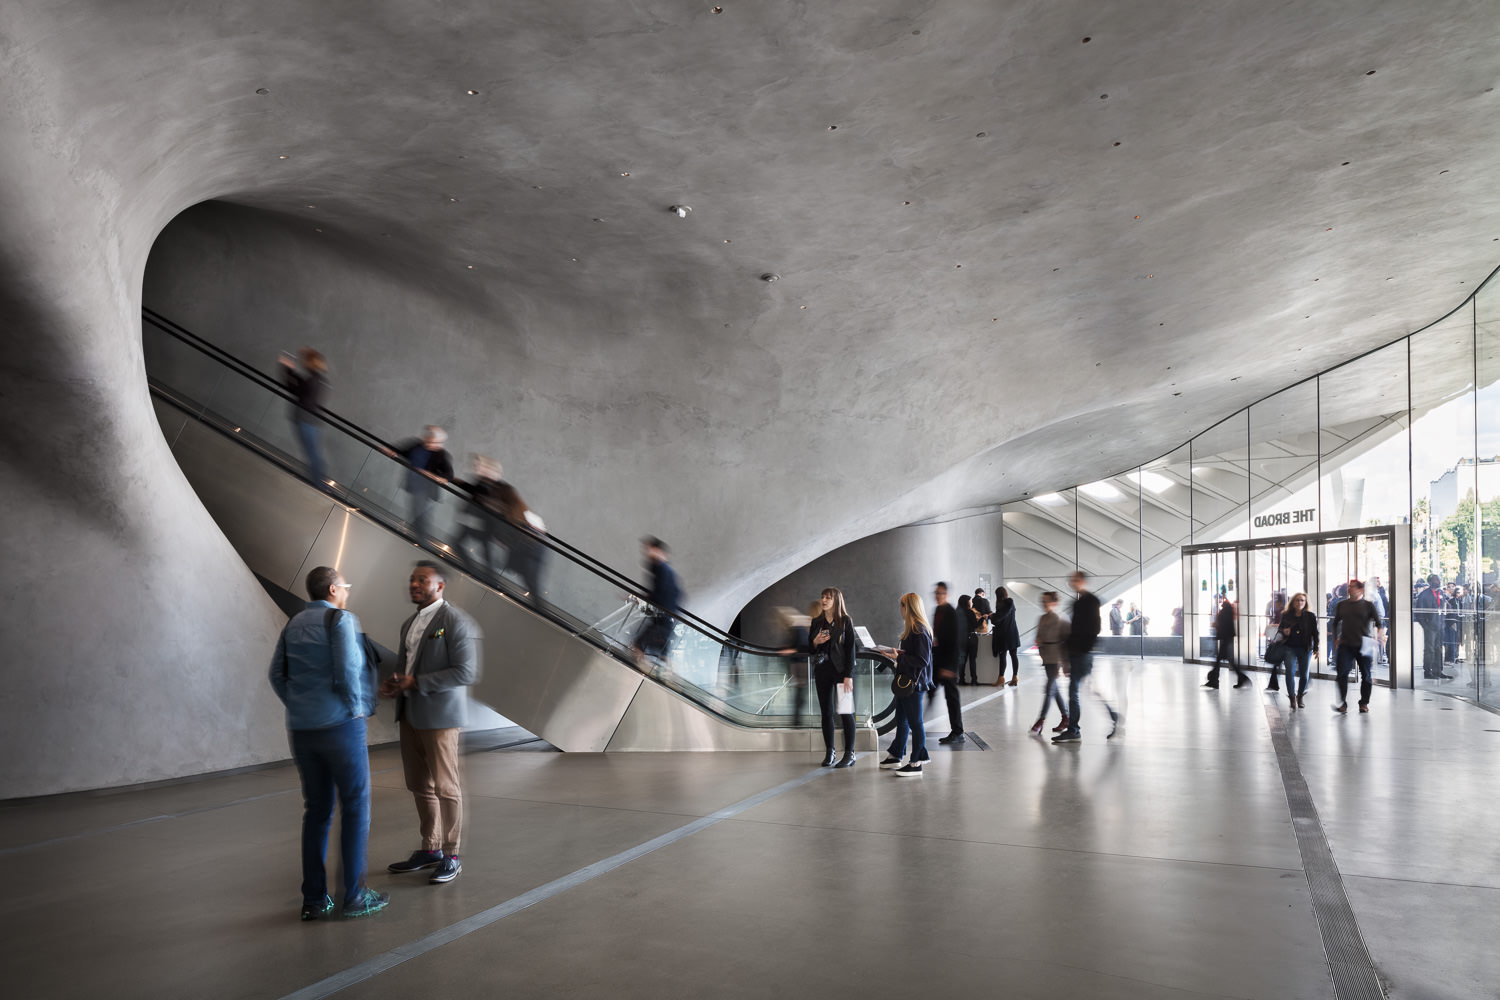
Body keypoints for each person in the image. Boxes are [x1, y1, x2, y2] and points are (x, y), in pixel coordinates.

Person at [268, 566, 387, 920]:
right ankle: (354, 896)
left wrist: (300, 705)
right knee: (355, 808)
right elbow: (348, 670)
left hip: (302, 731)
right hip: (340, 727)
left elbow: (276, 674)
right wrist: (358, 710)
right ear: (333, 589)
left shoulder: (292, 624)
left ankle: (315, 900)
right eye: (344, 587)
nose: (346, 592)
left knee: (317, 811)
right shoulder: (341, 620)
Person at [382, 561, 482, 885]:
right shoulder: (409, 623)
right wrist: (395, 685)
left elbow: (466, 672)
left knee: (446, 787)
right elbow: (406, 666)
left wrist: (416, 682)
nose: (414, 584)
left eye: (422, 580)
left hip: (440, 717)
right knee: (418, 785)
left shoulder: (455, 621)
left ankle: (452, 854)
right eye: (412, 579)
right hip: (409, 713)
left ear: (440, 586)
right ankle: (431, 848)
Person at [1053, 571, 1118, 742]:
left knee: (1074, 690)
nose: (1071, 583)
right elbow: (1075, 629)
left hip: (1082, 653)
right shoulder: (1078, 603)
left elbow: (1094, 628)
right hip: (1077, 652)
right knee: (1086, 690)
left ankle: (1074, 729)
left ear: (1082, 581)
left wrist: (1081, 649)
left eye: (1074, 580)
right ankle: (1112, 717)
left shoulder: (1090, 602)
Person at [879, 592, 934, 776]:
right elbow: (914, 655)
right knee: (902, 720)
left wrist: (898, 658)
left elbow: (922, 660)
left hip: (914, 684)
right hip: (907, 682)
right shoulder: (913, 629)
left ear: (908, 608)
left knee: (915, 722)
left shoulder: (919, 629)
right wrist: (896, 655)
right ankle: (896, 754)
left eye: (901, 606)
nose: (900, 610)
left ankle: (917, 761)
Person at [809, 588, 858, 768]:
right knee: (826, 713)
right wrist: (816, 642)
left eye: (828, 598)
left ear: (836, 600)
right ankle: (830, 751)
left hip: (841, 672)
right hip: (822, 671)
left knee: (845, 712)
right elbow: (810, 648)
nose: (823, 600)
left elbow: (851, 650)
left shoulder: (845, 621)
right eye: (822, 597)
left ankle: (850, 753)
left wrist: (848, 676)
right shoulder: (816, 622)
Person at [381, 426, 455, 542]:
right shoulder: (416, 445)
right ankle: (416, 537)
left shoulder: (441, 454)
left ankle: (421, 541)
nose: (431, 443)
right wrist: (392, 452)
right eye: (430, 440)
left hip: (426, 489)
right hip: (413, 485)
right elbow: (403, 451)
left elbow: (449, 475)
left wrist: (434, 476)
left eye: (435, 442)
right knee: (416, 512)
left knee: (422, 515)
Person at [1330, 578, 1384, 714]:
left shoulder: (1368, 605)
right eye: (1349, 586)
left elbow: (1378, 623)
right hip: (1346, 644)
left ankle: (1364, 703)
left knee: (1366, 675)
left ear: (1360, 590)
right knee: (1342, 674)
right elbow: (1335, 622)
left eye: (1353, 587)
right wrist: (1336, 638)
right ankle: (1342, 703)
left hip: (1365, 643)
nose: (1349, 589)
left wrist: (1378, 637)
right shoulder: (1342, 605)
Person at [279, 348, 330, 485]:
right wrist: (291, 371)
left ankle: (318, 484)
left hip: (305, 420)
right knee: (314, 454)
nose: (302, 362)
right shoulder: (319, 380)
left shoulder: (313, 380)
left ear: (309, 362)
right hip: (311, 421)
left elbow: (296, 390)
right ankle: (320, 483)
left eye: (304, 360)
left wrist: (287, 371)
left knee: (312, 454)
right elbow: (302, 387)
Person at [632, 536, 681, 668]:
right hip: (665, 620)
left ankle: (644, 675)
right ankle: (670, 679)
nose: (646, 552)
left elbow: (661, 594)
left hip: (662, 619)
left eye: (649, 549)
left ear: (657, 550)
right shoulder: (662, 569)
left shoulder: (662, 569)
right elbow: (676, 594)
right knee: (663, 655)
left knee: (637, 645)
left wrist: (644, 599)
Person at [1029, 592, 1070, 735]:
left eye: (1046, 601)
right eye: (1042, 601)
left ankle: (1041, 720)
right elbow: (1038, 636)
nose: (1043, 604)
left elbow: (1067, 641)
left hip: (1056, 658)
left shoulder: (1061, 618)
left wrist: (1064, 663)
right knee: (1054, 689)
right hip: (1046, 657)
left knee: (1049, 689)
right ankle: (1066, 717)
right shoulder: (1042, 618)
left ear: (1054, 602)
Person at [929, 582, 964, 744]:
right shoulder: (937, 611)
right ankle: (918, 724)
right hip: (938, 660)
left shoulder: (951, 613)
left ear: (946, 594)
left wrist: (950, 667)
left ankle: (958, 732)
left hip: (948, 663)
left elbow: (955, 642)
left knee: (952, 697)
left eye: (941, 593)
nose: (938, 596)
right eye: (936, 593)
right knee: (929, 690)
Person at [1276, 592, 1318, 710]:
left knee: (1304, 674)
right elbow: (1280, 628)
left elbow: (1315, 633)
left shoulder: (1310, 616)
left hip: (1305, 648)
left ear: (1305, 603)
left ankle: (1300, 696)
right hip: (1290, 647)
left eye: (1302, 600)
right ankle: (1292, 697)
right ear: (1293, 602)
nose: (1300, 602)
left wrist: (1316, 648)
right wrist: (1284, 631)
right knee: (1290, 672)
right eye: (1297, 600)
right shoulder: (1286, 615)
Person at [1204, 597, 1249, 689]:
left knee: (1224, 660)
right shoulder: (1228, 612)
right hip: (1227, 638)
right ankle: (1240, 678)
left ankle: (1215, 681)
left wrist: (1216, 626)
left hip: (1225, 639)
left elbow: (1222, 625)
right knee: (1226, 660)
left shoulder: (1224, 612)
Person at [1415, 574, 1449, 679]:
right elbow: (1419, 613)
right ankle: (1428, 671)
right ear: (1430, 582)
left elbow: (1443, 608)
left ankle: (1438, 670)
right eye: (1435, 580)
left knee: (1438, 648)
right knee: (1429, 649)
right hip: (1430, 626)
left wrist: (1443, 622)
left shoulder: (1441, 593)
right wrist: (1425, 626)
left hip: (1439, 625)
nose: (1438, 582)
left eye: (1438, 579)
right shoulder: (1424, 595)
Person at [990, 586, 1021, 686]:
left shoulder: (1003, 604)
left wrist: (992, 616)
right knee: (1013, 655)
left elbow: (997, 619)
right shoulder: (1010, 603)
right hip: (1012, 632)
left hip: (1004, 634)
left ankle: (1001, 678)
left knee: (1003, 656)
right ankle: (1015, 677)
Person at [958, 593, 980, 685]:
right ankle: (974, 680)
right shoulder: (970, 612)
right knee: (972, 660)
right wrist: (982, 619)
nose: (971, 603)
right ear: (966, 602)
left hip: (961, 639)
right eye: (970, 601)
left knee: (962, 661)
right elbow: (975, 625)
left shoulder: (957, 612)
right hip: (972, 638)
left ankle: (961, 680)